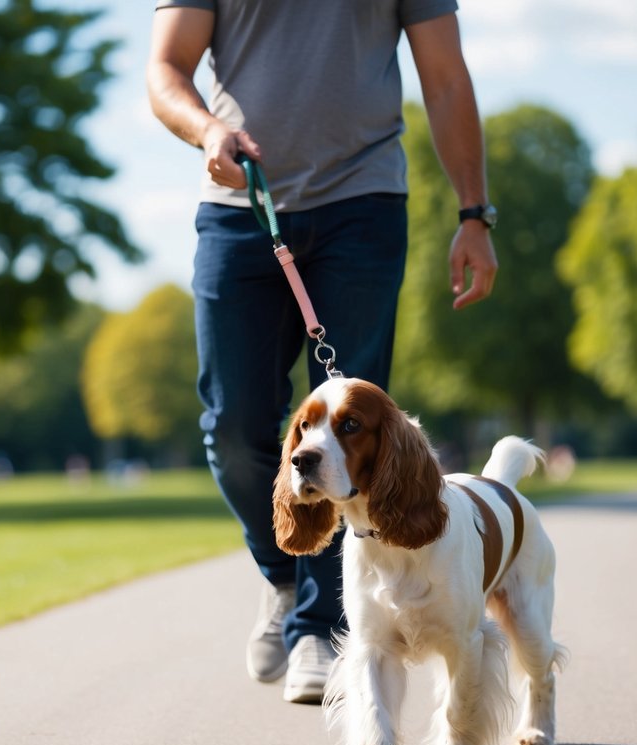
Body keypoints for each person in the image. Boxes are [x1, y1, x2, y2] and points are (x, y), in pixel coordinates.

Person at [147, 0, 498, 704]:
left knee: (349, 429)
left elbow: (445, 77)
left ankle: (316, 627)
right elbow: (166, 68)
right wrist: (207, 128)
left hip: (362, 205)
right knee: (233, 424)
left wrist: (473, 213)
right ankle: (283, 571)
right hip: (237, 204)